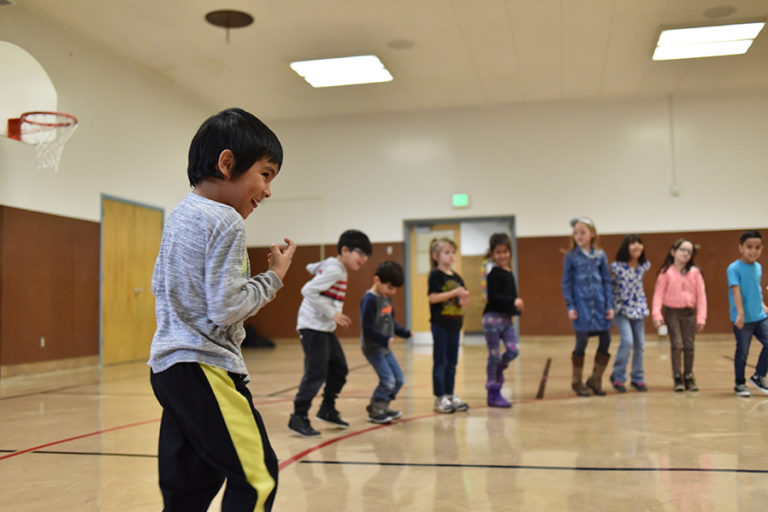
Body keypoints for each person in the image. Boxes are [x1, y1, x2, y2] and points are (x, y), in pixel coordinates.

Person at [148, 108, 292, 512]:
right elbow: (227, 307)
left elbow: (161, 287)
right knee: (257, 477)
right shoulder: (226, 220)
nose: (267, 190)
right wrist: (273, 278)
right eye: (265, 174)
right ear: (227, 163)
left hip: (168, 369)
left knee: (190, 487)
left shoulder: (179, 216)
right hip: (204, 368)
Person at [288, 229, 372, 437]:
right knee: (316, 373)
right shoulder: (335, 269)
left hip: (323, 327)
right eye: (360, 253)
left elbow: (314, 268)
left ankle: (327, 409)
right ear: (345, 250)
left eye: (366, 255)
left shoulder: (334, 266)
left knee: (339, 368)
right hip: (312, 326)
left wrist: (315, 268)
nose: (364, 259)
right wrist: (332, 314)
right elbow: (307, 290)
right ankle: (298, 417)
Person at [561, 217, 614, 397]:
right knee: (581, 342)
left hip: (599, 306)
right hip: (582, 307)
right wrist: (571, 306)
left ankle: (595, 379)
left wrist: (609, 305)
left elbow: (607, 281)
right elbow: (566, 283)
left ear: (592, 234)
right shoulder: (571, 257)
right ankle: (577, 381)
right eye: (576, 233)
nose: (579, 236)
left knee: (606, 340)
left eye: (583, 232)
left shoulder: (600, 255)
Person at [652, 238, 707, 392]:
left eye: (689, 251)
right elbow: (658, 295)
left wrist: (701, 317)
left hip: (689, 313)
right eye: (682, 249)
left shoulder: (695, 273)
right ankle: (677, 376)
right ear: (673, 251)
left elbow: (701, 296)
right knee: (677, 345)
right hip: (672, 313)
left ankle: (688, 375)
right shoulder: (665, 273)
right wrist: (657, 315)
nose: (685, 253)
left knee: (689, 346)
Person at [360, 261, 412, 423]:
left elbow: (391, 321)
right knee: (388, 380)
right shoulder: (369, 300)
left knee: (399, 380)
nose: (393, 292)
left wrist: (404, 332)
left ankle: (383, 406)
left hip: (385, 347)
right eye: (390, 287)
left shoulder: (386, 298)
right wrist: (384, 339)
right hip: (373, 347)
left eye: (395, 288)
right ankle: (376, 408)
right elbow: (367, 327)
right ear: (377, 280)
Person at [428, 237, 471, 413]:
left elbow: (463, 298)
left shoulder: (458, 277)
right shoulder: (435, 275)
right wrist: (454, 292)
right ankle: (439, 397)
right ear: (436, 256)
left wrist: (463, 299)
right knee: (441, 361)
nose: (451, 256)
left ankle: (450, 393)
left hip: (455, 324)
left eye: (453, 252)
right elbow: (433, 298)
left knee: (452, 362)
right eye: (447, 252)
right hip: (440, 324)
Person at [482, 233, 524, 408]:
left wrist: (516, 310)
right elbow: (493, 297)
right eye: (498, 252)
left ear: (509, 252)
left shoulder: (509, 272)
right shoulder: (493, 273)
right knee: (493, 354)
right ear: (492, 254)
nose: (502, 255)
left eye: (505, 251)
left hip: (506, 321)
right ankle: (493, 393)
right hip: (492, 320)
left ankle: (499, 367)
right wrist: (512, 302)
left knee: (513, 350)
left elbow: (510, 298)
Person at [727, 230, 768, 397]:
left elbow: (756, 290)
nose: (753, 251)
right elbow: (736, 291)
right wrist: (740, 314)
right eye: (749, 247)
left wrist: (763, 305)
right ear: (741, 248)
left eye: (757, 247)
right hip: (743, 319)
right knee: (743, 352)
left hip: (759, 316)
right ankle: (739, 383)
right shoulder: (734, 268)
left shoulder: (758, 267)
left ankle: (758, 376)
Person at [609, 235, 651, 393]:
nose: (637, 246)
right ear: (626, 247)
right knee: (627, 341)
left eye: (639, 243)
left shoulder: (643, 265)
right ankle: (618, 376)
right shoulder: (615, 267)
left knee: (640, 344)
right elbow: (609, 287)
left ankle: (637, 378)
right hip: (621, 309)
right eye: (633, 243)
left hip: (638, 308)